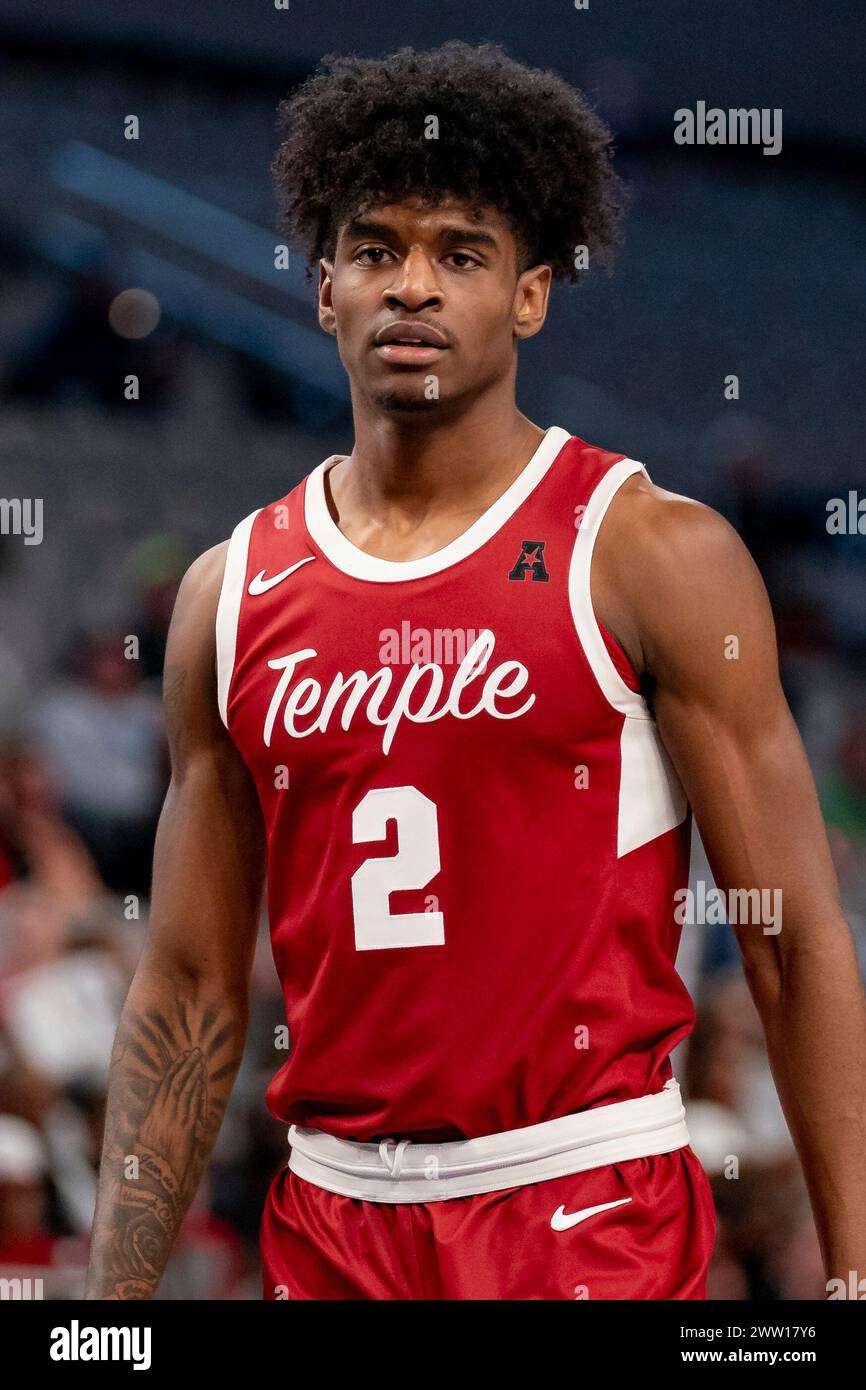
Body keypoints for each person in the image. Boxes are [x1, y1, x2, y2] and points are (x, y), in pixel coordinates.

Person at [85, 42, 866, 1301]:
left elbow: (788, 940)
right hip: (329, 1215)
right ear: (323, 284)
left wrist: (851, 1270)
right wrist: (112, 1305)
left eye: (460, 253)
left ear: (530, 296)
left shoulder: (648, 549)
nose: (413, 286)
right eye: (378, 249)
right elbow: (183, 981)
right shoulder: (227, 596)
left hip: (581, 1198)